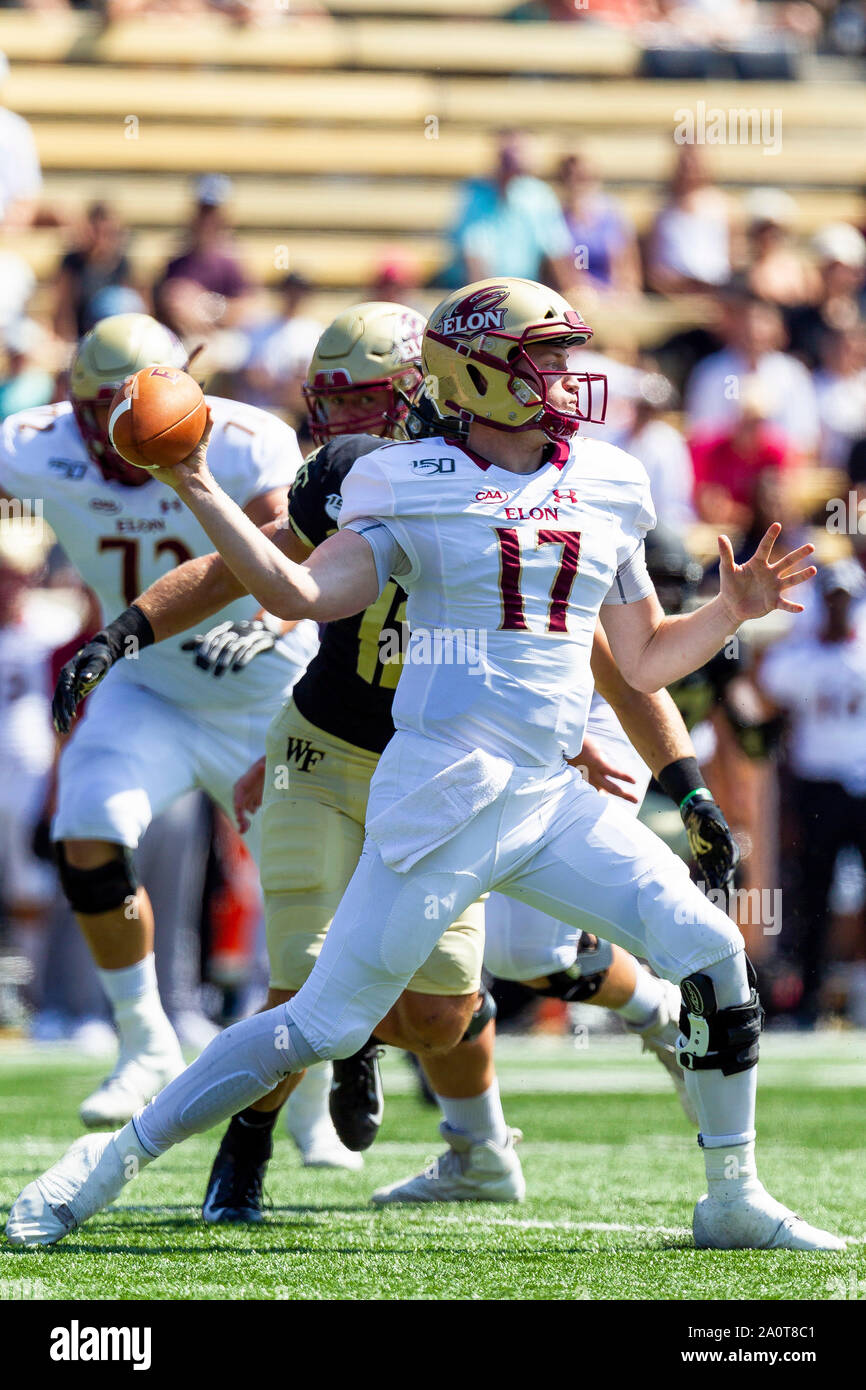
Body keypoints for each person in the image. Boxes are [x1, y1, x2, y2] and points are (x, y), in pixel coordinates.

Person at [7, 277, 841, 1253]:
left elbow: (647, 658)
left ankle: (729, 1196)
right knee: (317, 1019)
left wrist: (726, 614)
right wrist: (194, 482)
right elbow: (296, 590)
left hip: (544, 792)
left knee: (709, 949)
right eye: (544, 356)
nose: (571, 375)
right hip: (442, 791)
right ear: (478, 373)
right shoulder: (402, 478)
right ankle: (99, 1167)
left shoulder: (611, 479)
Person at [0, 312, 325, 1146]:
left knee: (310, 893)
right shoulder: (34, 445)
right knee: (87, 832)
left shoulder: (252, 442)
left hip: (265, 687)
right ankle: (144, 1039)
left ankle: (315, 1082)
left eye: (133, 407)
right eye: (99, 412)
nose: (119, 435)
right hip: (143, 684)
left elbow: (291, 556)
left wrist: (272, 624)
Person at [757, 561, 866, 1027]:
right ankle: (810, 996)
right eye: (833, 597)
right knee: (814, 893)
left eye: (846, 598)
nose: (839, 607)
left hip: (861, 785)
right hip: (818, 788)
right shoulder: (799, 658)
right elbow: (768, 687)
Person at [446, 131, 575, 290]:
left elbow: (556, 251)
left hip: (525, 288)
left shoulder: (540, 194)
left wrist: (569, 292)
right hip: (481, 289)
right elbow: (473, 254)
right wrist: (484, 295)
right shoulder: (474, 193)